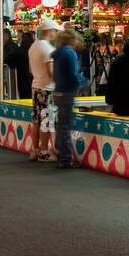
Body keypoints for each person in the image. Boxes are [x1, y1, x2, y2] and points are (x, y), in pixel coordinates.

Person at [27, 18, 60, 160]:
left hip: (36, 86)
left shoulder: (34, 46)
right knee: (46, 120)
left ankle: (35, 150)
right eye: (55, 30)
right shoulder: (48, 48)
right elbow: (51, 71)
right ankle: (45, 152)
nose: (56, 33)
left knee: (37, 121)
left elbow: (30, 69)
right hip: (47, 89)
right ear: (49, 31)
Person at [51, 29, 84, 169]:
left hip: (58, 90)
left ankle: (60, 152)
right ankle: (65, 159)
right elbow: (73, 74)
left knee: (61, 124)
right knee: (65, 126)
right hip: (66, 92)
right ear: (72, 40)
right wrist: (83, 82)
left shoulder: (58, 54)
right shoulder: (69, 53)